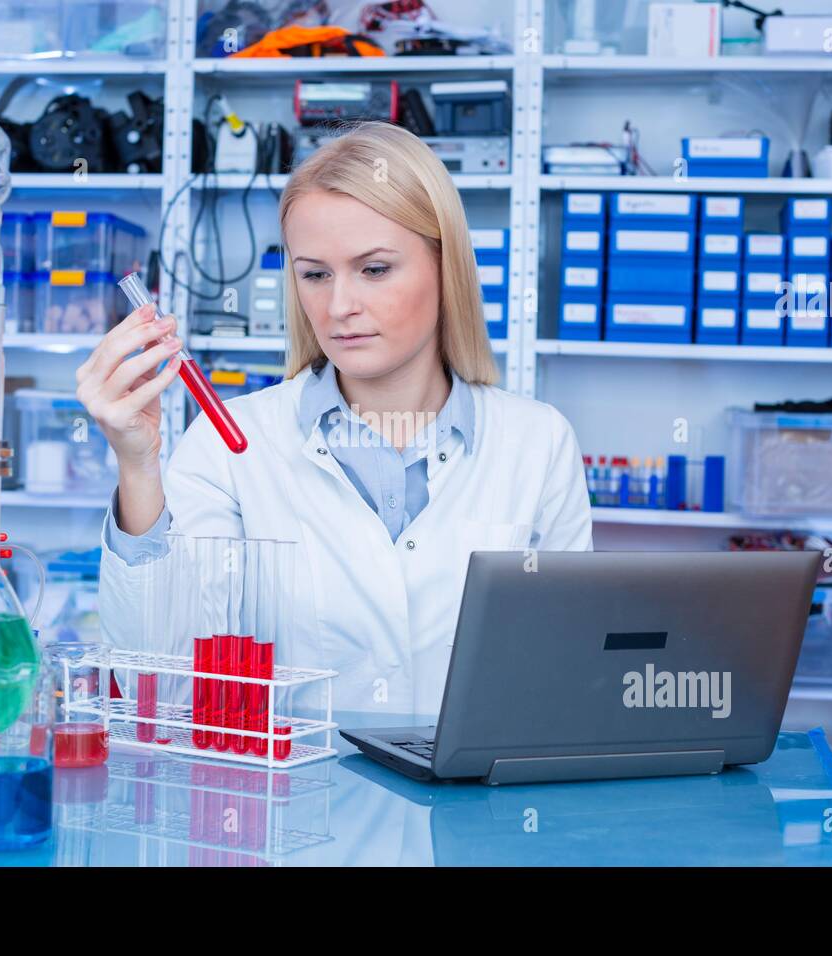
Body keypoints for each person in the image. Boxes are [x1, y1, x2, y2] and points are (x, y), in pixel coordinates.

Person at [78, 121, 592, 716]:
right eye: (315, 274)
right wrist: (138, 466)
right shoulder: (231, 445)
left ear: (445, 265)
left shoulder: (537, 441)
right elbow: (160, 692)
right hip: (293, 805)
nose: (340, 305)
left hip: (477, 808)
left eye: (374, 269)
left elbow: (564, 679)